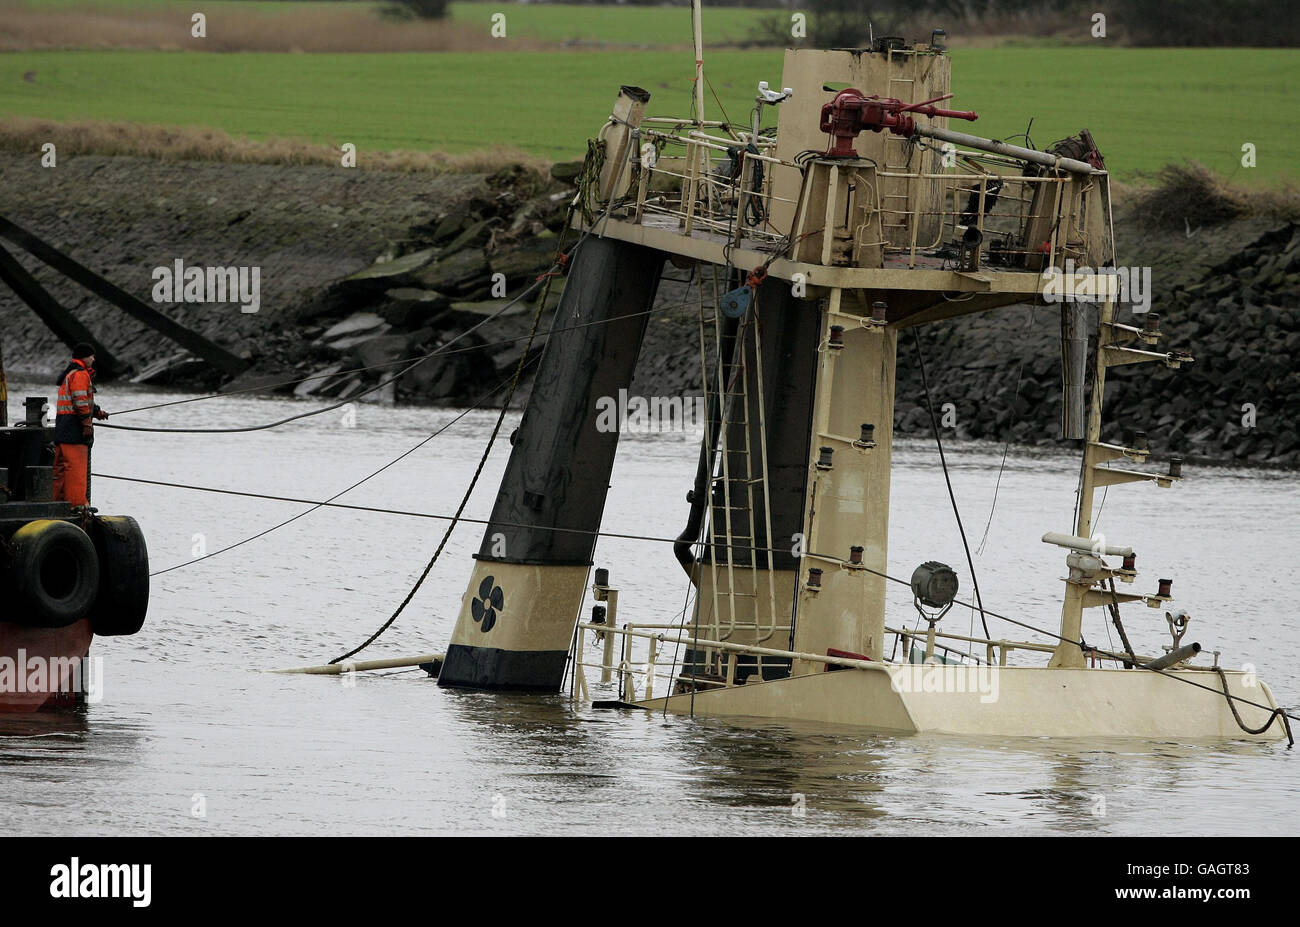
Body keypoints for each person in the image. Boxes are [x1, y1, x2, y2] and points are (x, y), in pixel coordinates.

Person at [52, 343, 108, 507]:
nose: (93, 359)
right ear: (84, 357)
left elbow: (78, 399)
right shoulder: (81, 374)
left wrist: (97, 412)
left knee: (60, 471)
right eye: (91, 356)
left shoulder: (69, 374)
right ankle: (77, 507)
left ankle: (57, 505)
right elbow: (80, 399)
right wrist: (86, 423)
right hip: (74, 429)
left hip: (62, 428)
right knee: (76, 471)